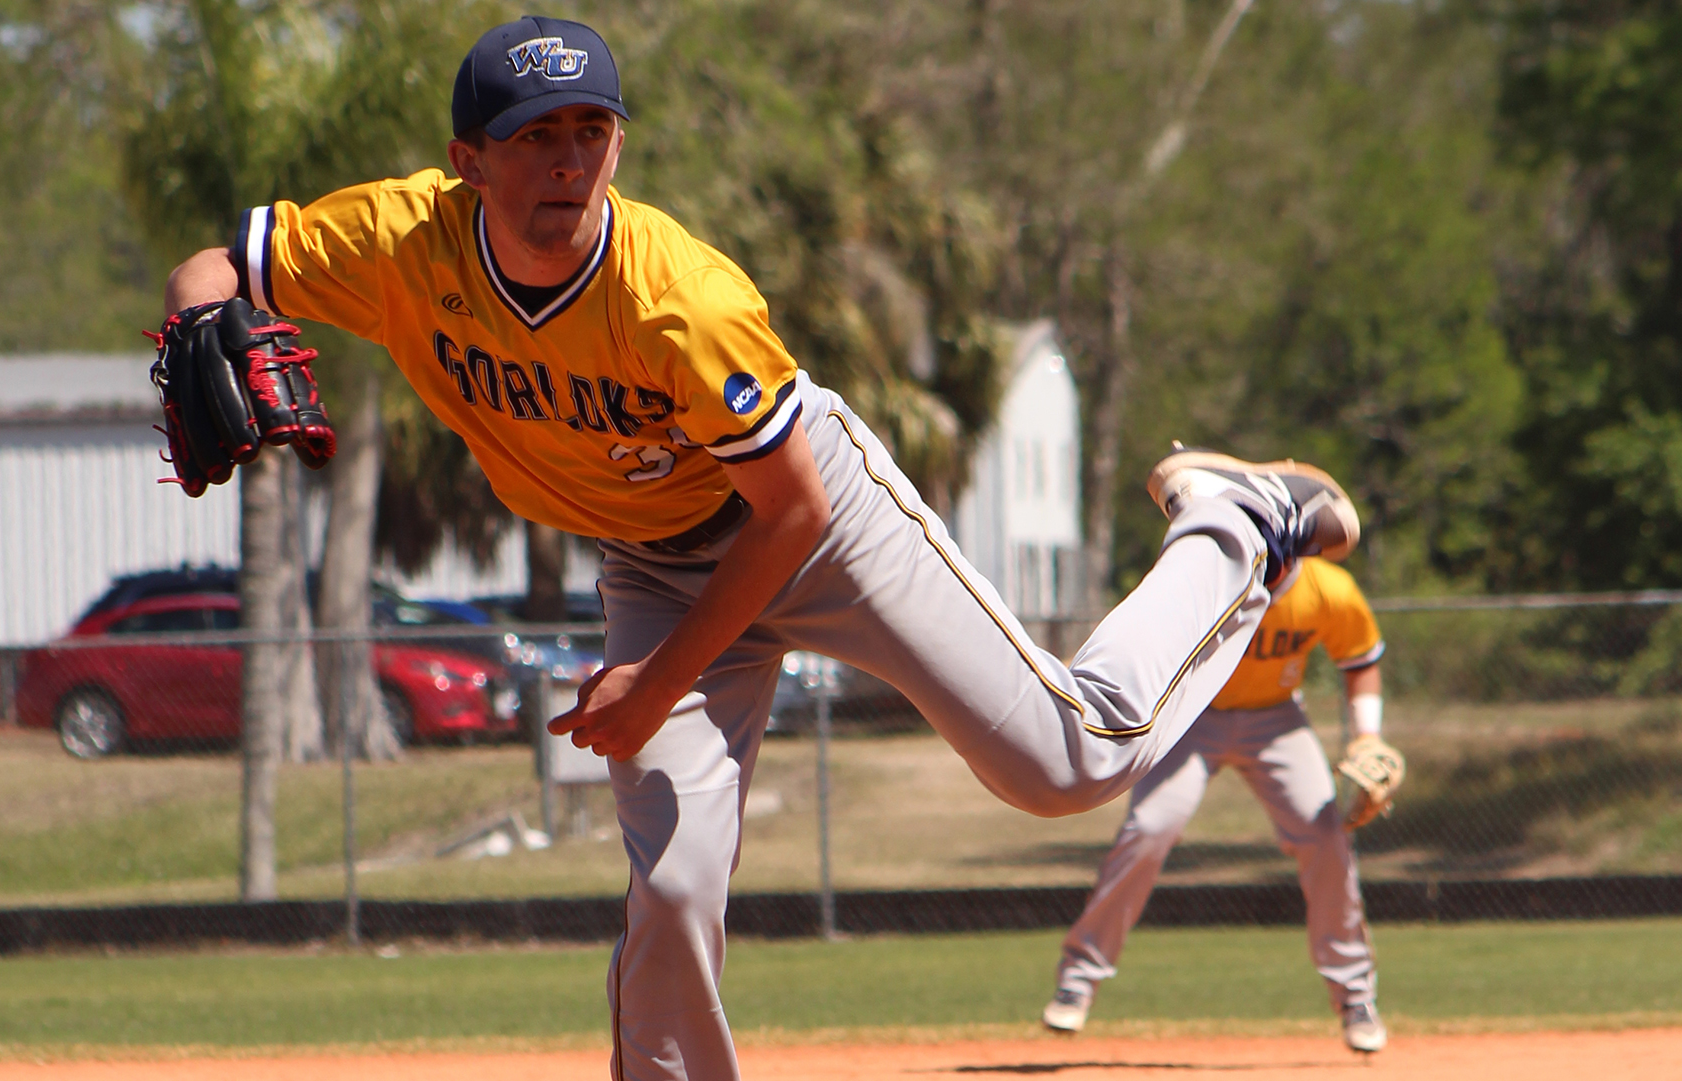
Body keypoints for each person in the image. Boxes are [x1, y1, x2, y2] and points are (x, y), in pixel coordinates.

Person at [159, 16, 1360, 1080]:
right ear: (468, 161)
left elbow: (791, 515)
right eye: (532, 136)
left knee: (1066, 762)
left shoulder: (679, 296)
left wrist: (657, 682)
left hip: (820, 526)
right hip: (653, 554)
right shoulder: (401, 239)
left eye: (591, 128)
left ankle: (1232, 520)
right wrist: (202, 312)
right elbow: (222, 259)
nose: (568, 160)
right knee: (674, 886)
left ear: (619, 146)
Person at [1040, 554, 1394, 1053]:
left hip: (1276, 719)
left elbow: (1360, 660)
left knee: (1326, 837)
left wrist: (1367, 737)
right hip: (1191, 716)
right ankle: (1078, 978)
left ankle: (1356, 995)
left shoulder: (1327, 589)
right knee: (1149, 829)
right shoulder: (1202, 580)